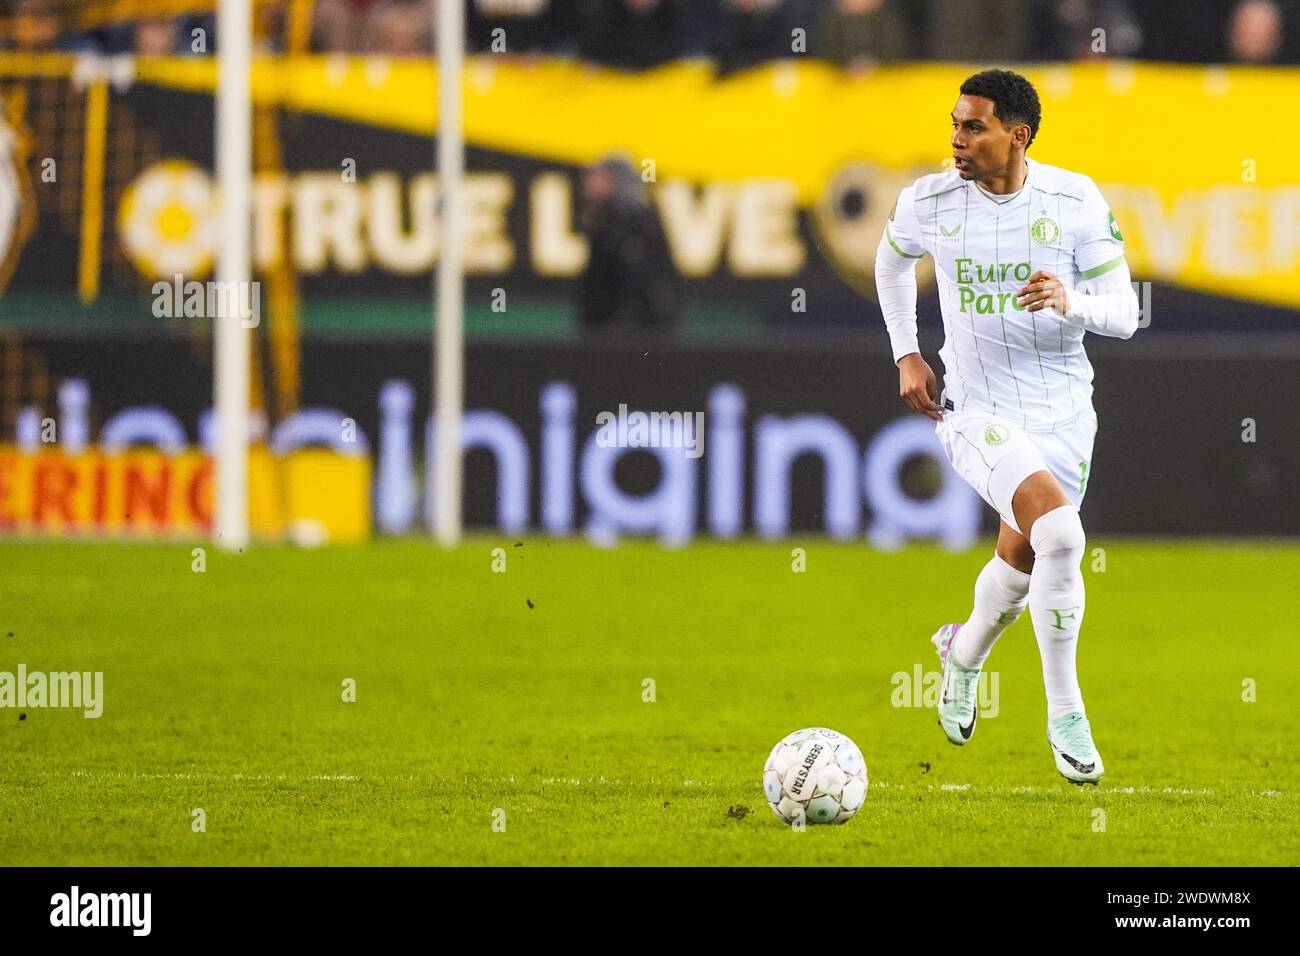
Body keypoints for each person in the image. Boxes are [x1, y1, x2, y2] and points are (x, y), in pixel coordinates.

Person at [873, 69, 1139, 785]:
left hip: (1063, 413)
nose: (957, 140)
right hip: (978, 410)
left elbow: (1125, 312)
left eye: (974, 127)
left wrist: (1071, 300)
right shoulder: (928, 200)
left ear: (1017, 135)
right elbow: (891, 263)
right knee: (1062, 536)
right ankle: (1066, 713)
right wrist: (906, 350)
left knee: (1022, 567)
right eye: (955, 124)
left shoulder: (1073, 199)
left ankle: (961, 656)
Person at [577, 156, 679, 334]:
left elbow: (641, 283)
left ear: (612, 180)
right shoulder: (601, 220)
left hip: (633, 335)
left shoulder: (634, 223)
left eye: (596, 176)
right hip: (607, 331)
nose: (588, 182)